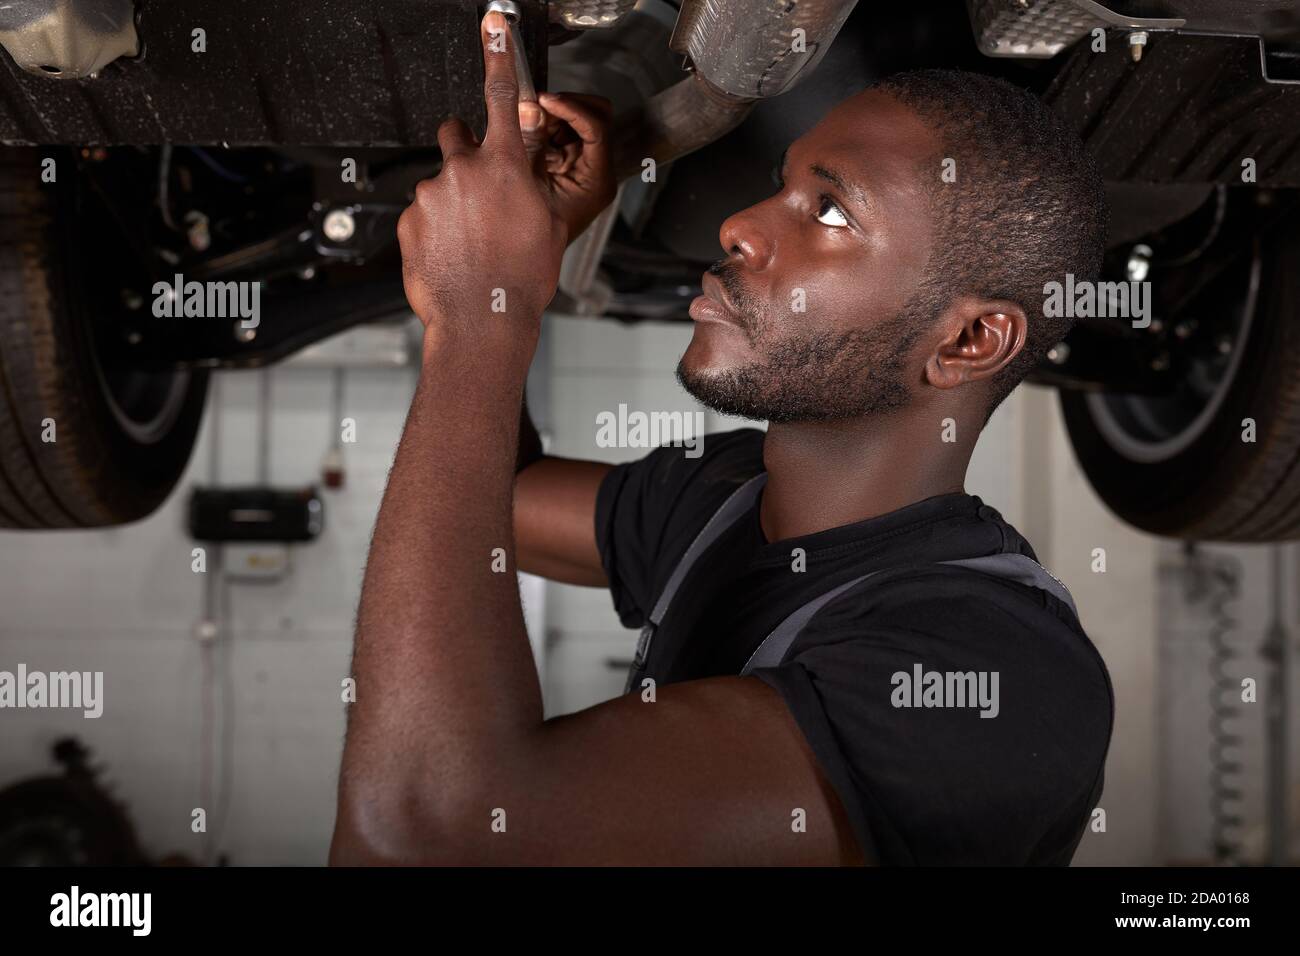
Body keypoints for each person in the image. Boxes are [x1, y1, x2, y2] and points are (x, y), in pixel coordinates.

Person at [330, 10, 1114, 866]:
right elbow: (496, 501)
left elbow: (426, 834)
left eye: (832, 212)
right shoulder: (728, 500)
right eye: (780, 184)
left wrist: (482, 318)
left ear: (968, 344)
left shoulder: (993, 675)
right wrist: (526, 255)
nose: (739, 223)